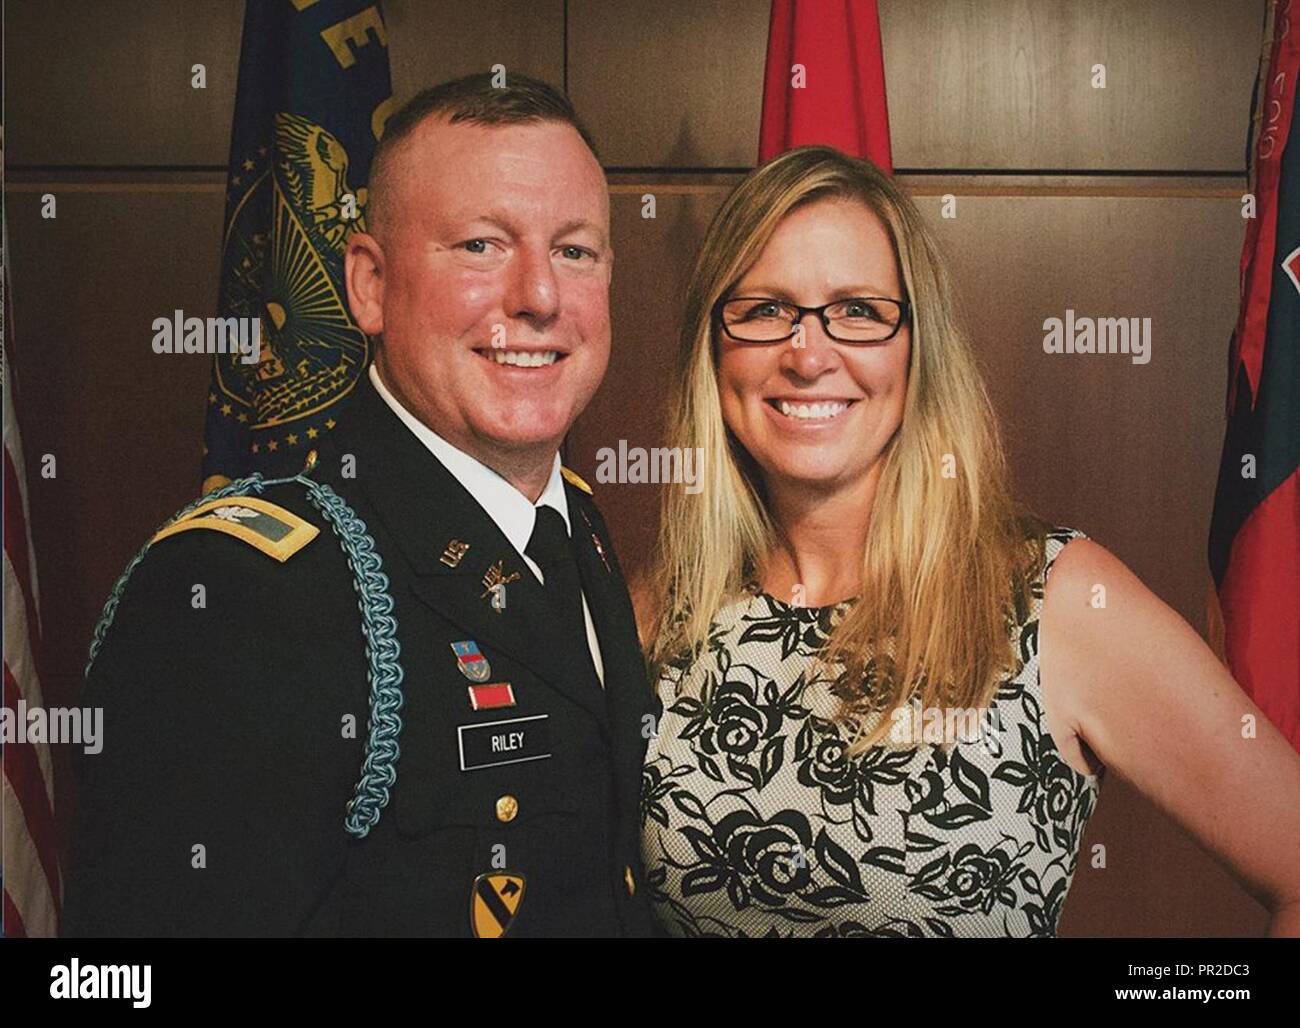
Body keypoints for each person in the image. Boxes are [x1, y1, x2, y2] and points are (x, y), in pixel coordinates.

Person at [635, 145, 1300, 938]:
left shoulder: (1057, 603)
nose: (807, 354)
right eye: (764, 309)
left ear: (920, 348)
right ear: (714, 349)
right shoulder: (656, 610)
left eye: (857, 309)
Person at [63, 73, 658, 938]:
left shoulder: (576, 527)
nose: (539, 296)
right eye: (481, 246)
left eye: (575, 251)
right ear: (369, 285)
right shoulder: (242, 592)